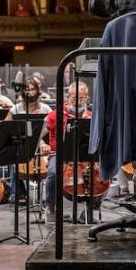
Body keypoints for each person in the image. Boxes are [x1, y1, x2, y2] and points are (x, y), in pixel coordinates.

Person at [42, 81, 92, 220]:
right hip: (59, 154)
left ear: (87, 98)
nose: (78, 101)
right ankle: (51, 208)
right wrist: (41, 143)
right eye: (74, 98)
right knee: (53, 173)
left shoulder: (90, 116)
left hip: (83, 155)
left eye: (81, 98)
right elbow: (37, 135)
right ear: (68, 98)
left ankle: (89, 210)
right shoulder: (55, 115)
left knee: (101, 177)